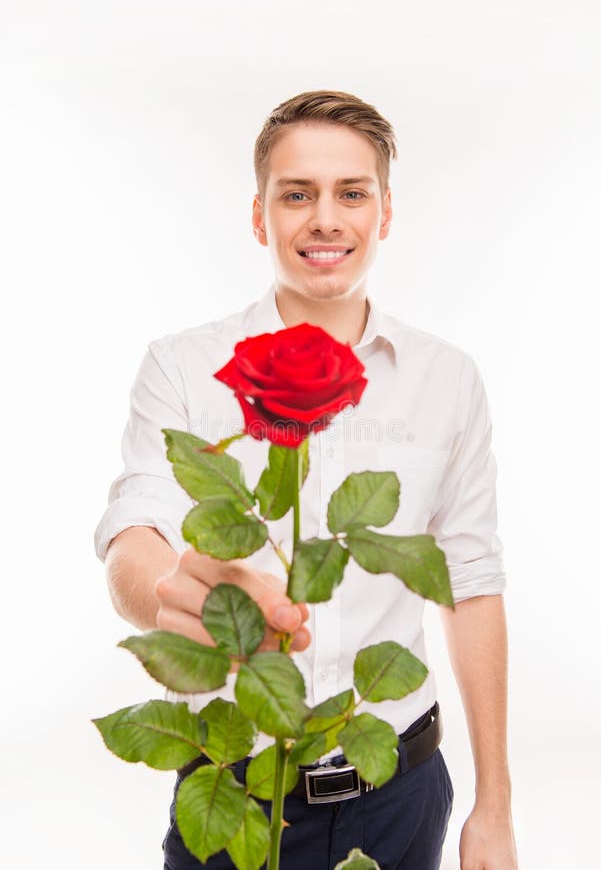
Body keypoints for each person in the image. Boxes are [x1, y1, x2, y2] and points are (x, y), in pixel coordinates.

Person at [94, 90, 518, 870]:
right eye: (296, 195)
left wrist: (494, 805)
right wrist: (169, 593)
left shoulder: (446, 378)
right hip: (232, 792)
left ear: (383, 214)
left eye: (350, 193)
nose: (325, 218)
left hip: (399, 793)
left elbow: (470, 578)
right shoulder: (183, 366)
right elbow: (136, 525)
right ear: (259, 217)